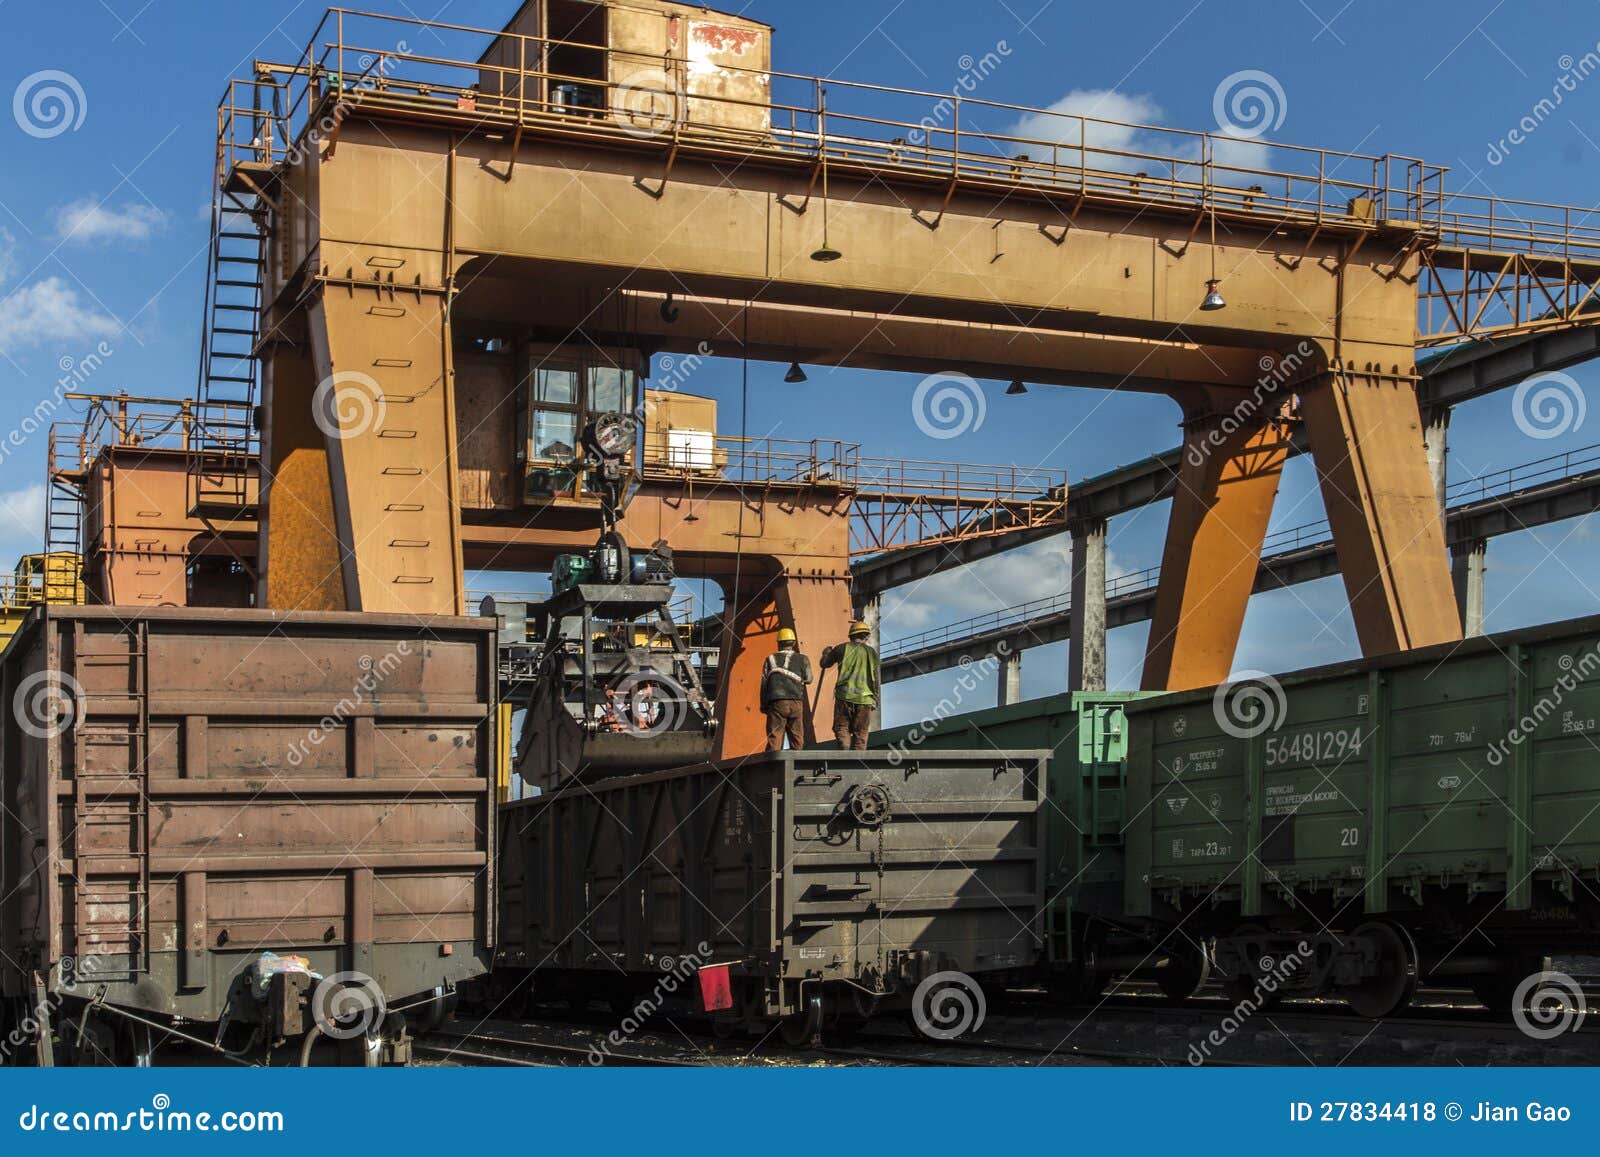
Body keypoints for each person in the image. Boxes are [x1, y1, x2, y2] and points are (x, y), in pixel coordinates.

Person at [820, 620, 879, 750]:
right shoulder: (872, 653)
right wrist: (876, 699)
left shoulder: (841, 649)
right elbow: (876, 678)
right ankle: (857, 761)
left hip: (844, 697)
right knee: (861, 732)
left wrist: (826, 653)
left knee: (841, 727)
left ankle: (845, 752)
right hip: (865, 698)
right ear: (866, 636)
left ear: (851, 635)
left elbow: (825, 663)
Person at [761, 627, 813, 751]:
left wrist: (763, 705)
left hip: (776, 702)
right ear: (794, 643)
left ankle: (774, 765)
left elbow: (764, 684)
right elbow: (809, 679)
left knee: (775, 736)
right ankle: (797, 764)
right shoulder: (803, 659)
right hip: (796, 701)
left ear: (779, 643)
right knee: (797, 735)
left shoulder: (770, 659)